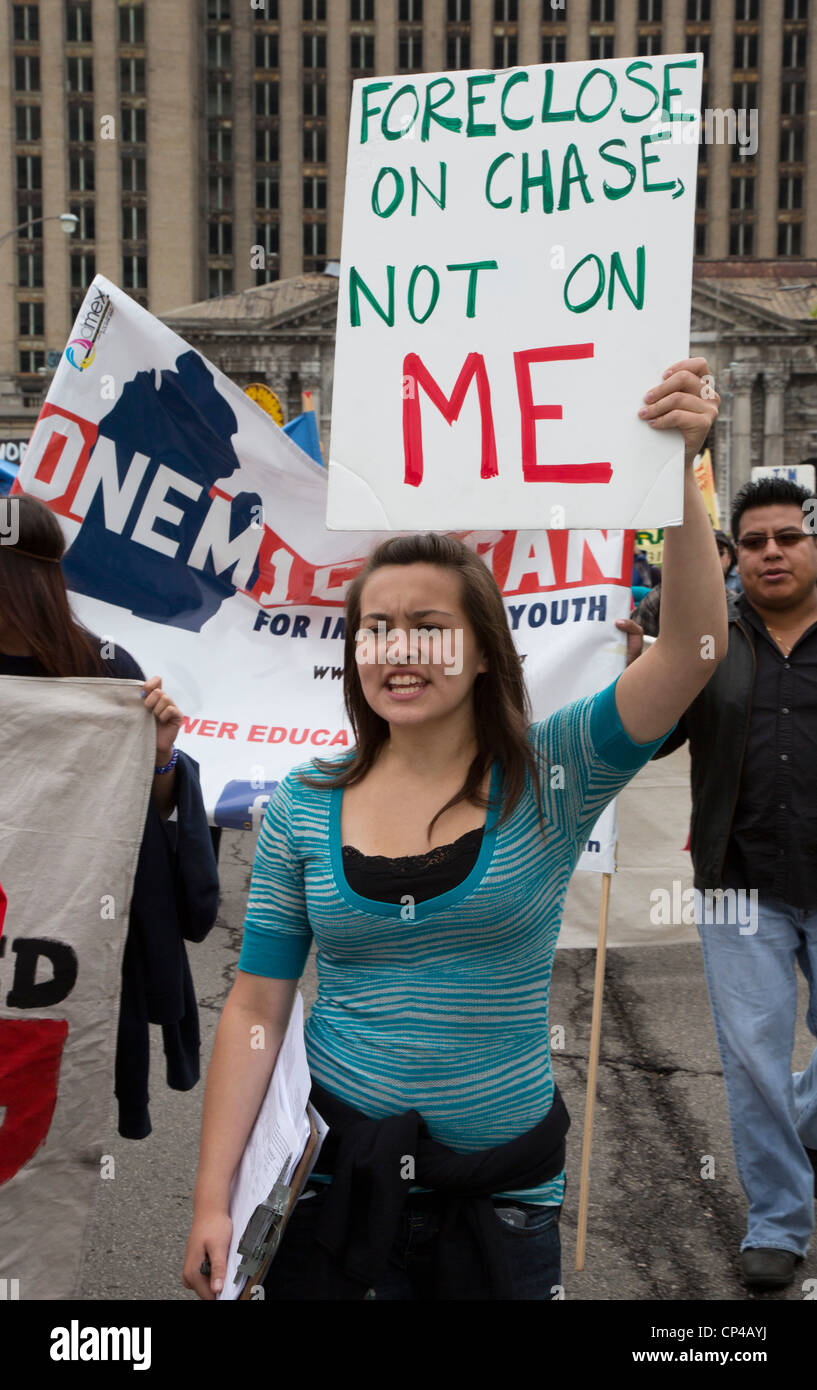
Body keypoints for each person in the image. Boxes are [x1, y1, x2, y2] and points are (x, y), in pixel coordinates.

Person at [182, 358, 727, 1302]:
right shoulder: (306, 801)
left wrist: (679, 474)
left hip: (504, 1201)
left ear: (481, 650)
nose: (399, 649)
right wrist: (212, 1196)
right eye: (377, 629)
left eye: (428, 625)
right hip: (333, 1188)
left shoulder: (553, 770)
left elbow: (690, 651)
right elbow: (257, 1008)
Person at [0, 493, 219, 1137]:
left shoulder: (102, 671)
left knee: (44, 1115)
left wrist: (158, 757)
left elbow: (141, 828)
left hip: (63, 923)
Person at [647, 475, 817, 1289]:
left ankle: (803, 1120)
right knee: (752, 1058)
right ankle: (778, 1222)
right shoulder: (702, 640)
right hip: (738, 884)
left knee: (786, 1077)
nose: (770, 553)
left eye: (787, 537)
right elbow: (646, 741)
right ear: (733, 557)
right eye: (752, 542)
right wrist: (641, 670)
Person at [714, 529, 742, 594]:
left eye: (720, 553)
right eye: (708, 553)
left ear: (729, 559)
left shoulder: (741, 579)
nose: (714, 558)